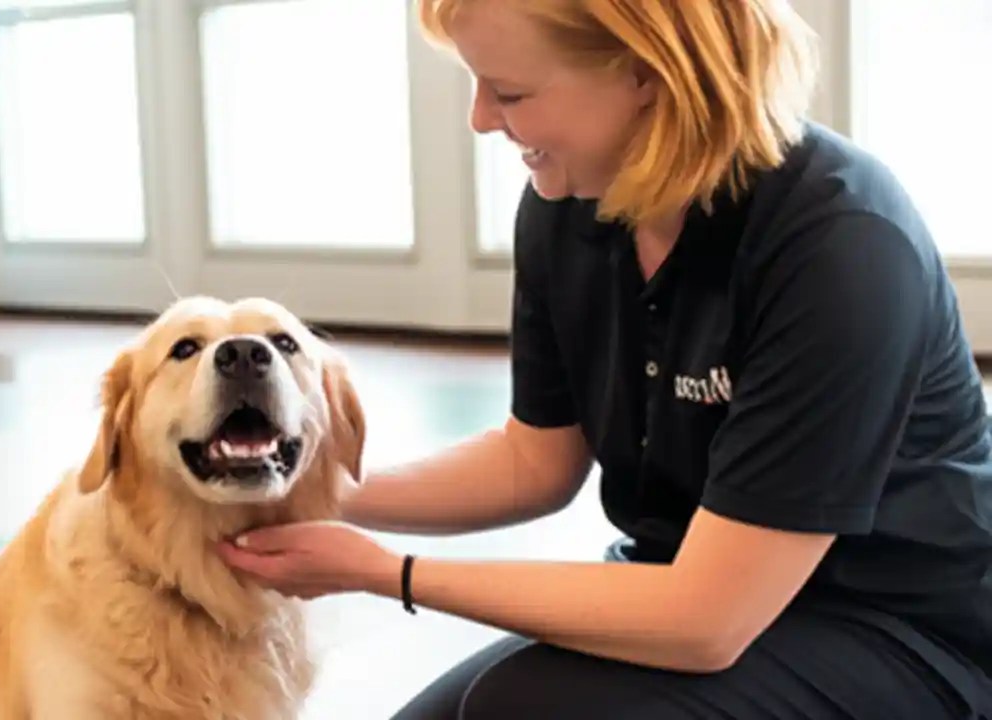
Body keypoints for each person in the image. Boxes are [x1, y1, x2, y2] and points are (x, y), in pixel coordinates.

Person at [217, 0, 992, 717]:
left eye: (511, 94)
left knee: (520, 707)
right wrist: (309, 491)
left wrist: (386, 573)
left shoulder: (840, 244)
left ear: (646, 72)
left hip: (896, 634)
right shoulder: (568, 204)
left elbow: (707, 621)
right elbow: (535, 463)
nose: (482, 119)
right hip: (680, 589)